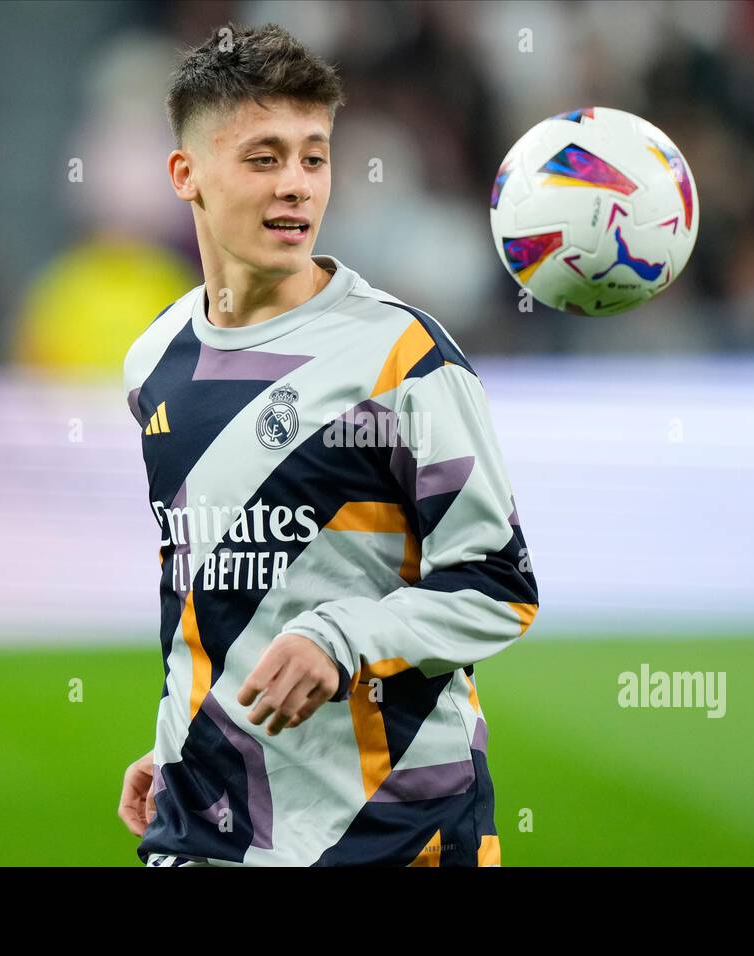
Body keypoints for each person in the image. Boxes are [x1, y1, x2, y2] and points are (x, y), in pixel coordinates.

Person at [116, 22, 538, 866]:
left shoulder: (404, 361)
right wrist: (180, 744)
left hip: (395, 835)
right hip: (206, 825)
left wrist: (339, 637)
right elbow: (208, 595)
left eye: (314, 157)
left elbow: (497, 585)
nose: (298, 186)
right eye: (264, 157)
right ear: (186, 175)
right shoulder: (154, 362)